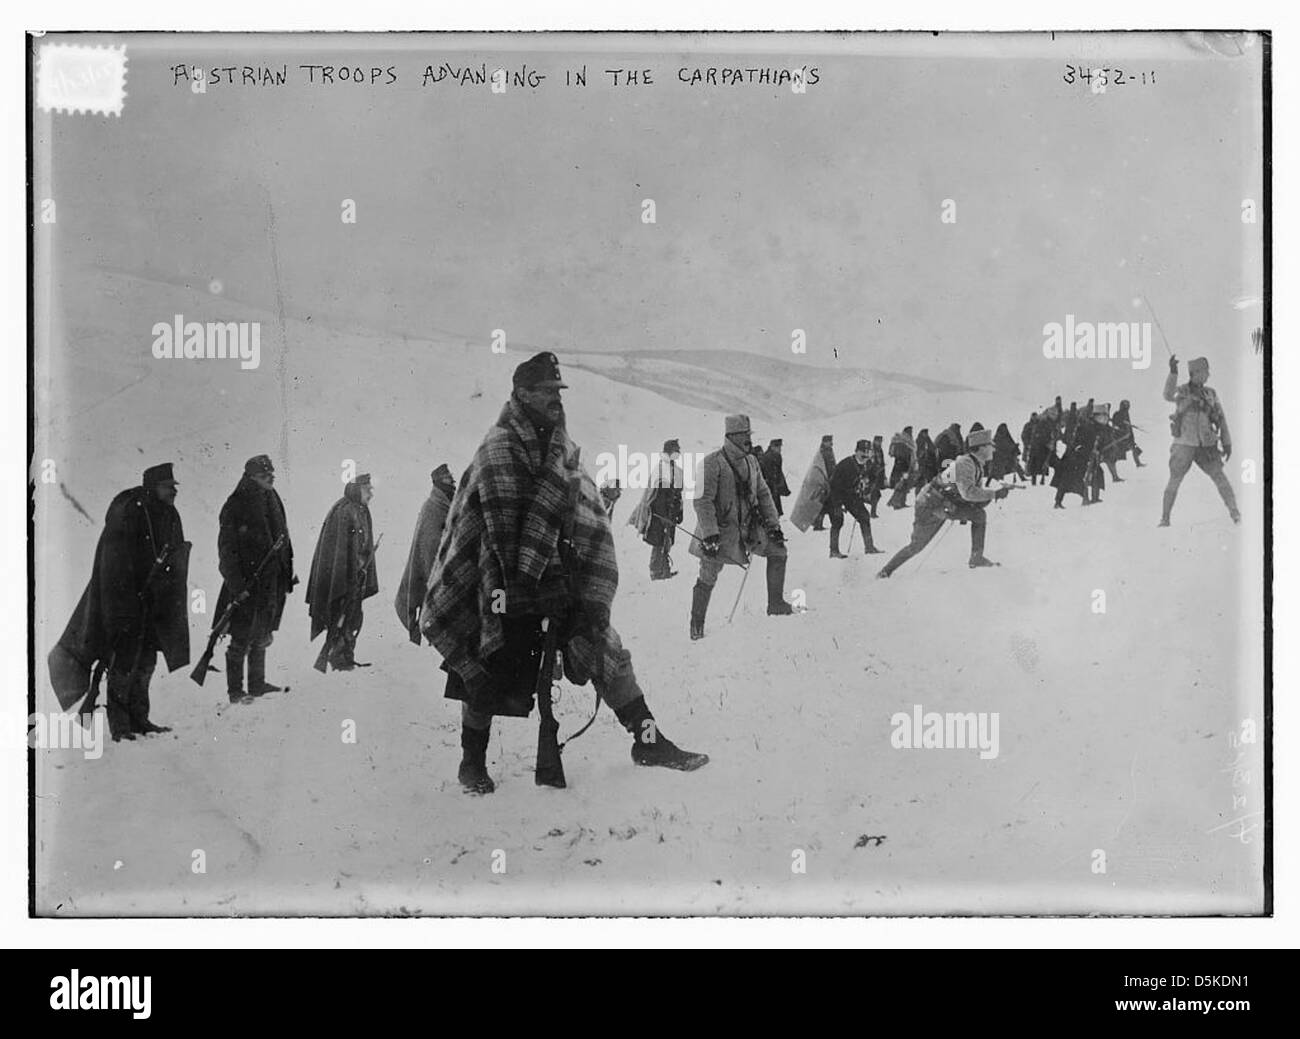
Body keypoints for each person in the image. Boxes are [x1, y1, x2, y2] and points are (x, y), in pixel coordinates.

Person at [423, 351, 708, 794]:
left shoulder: (558, 443)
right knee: (484, 662)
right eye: (548, 392)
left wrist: (569, 580)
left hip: (558, 574)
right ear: (522, 394)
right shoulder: (498, 448)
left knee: (603, 649)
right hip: (498, 578)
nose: (557, 400)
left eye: (559, 392)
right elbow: (502, 530)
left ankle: (648, 742)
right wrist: (526, 587)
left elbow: (576, 507)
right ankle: (471, 763)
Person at [47, 463, 191, 741]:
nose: (173, 491)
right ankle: (120, 726)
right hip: (123, 601)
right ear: (153, 486)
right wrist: (124, 604)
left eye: (173, 487)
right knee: (123, 662)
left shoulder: (169, 513)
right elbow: (114, 564)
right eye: (167, 486)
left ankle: (140, 718)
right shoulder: (130, 511)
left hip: (153, 602)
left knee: (147, 660)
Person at [690, 414, 793, 640]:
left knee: (778, 550)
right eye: (744, 435)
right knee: (708, 574)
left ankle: (775, 604)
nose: (748, 439)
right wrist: (709, 535)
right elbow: (702, 501)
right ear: (732, 437)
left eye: (749, 435)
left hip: (748, 529)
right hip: (720, 532)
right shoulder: (712, 462)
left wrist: (773, 526)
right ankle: (696, 625)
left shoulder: (752, 461)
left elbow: (764, 494)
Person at [214, 455, 296, 703]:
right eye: (264, 475)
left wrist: (286, 571)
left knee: (262, 633)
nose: (270, 478)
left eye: (271, 474)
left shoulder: (271, 497)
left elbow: (283, 535)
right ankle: (236, 691)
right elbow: (227, 551)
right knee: (241, 637)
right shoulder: (236, 504)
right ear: (250, 478)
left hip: (270, 581)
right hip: (247, 583)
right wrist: (237, 586)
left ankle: (257, 684)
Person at [877, 429, 1009, 577]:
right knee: (916, 546)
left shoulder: (975, 463)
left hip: (942, 503)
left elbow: (969, 496)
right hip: (929, 505)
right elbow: (969, 493)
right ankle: (886, 571)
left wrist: (990, 497)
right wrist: (994, 493)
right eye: (990, 445)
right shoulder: (966, 463)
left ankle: (976, 557)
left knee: (979, 515)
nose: (993, 448)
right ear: (981, 447)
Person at [307, 474, 379, 670]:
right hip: (342, 579)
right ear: (358, 490)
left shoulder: (362, 510)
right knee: (338, 615)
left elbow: (362, 546)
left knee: (353, 616)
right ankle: (336, 657)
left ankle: (346, 655)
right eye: (368, 489)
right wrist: (347, 577)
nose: (371, 494)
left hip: (356, 577)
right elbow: (338, 552)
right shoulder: (344, 511)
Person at [1160, 355, 1239, 526]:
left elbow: (1221, 418)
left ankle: (1235, 513)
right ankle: (1165, 518)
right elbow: (1167, 395)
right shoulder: (1182, 391)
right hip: (1183, 445)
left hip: (1207, 445)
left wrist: (1227, 442)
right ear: (1196, 373)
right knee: (1174, 480)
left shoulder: (1211, 393)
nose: (1208, 375)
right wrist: (1173, 372)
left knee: (1220, 478)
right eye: (1206, 372)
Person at [395, 464, 456, 643]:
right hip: (435, 570)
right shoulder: (432, 508)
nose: (453, 482)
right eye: (449, 479)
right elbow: (429, 548)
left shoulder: (446, 505)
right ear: (439, 483)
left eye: (452, 478)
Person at [828, 439, 882, 557]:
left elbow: (874, 476)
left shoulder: (868, 463)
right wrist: (837, 505)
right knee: (837, 520)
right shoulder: (845, 465)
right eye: (863, 452)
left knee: (864, 517)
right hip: (836, 495)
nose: (865, 455)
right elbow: (833, 485)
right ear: (856, 451)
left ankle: (869, 547)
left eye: (868, 452)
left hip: (852, 496)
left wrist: (868, 482)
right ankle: (834, 550)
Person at [640, 438, 684, 580]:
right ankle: (655, 571)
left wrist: (679, 512)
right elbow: (657, 496)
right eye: (676, 451)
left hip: (670, 513)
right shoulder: (660, 470)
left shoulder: (676, 470)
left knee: (667, 541)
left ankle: (664, 569)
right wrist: (663, 515)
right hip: (660, 514)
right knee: (659, 542)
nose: (678, 453)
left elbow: (678, 494)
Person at [1051, 407, 1104, 508]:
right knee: (1068, 478)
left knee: (1094, 474)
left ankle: (1092, 497)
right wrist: (1081, 448)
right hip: (1074, 457)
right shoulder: (1082, 426)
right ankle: (1059, 501)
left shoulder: (1090, 426)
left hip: (1080, 456)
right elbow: (1075, 441)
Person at [759, 438, 791, 517]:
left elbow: (779, 471)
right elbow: (766, 471)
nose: (780, 449)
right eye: (778, 447)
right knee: (771, 506)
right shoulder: (767, 457)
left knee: (774, 505)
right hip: (769, 485)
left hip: (774, 485)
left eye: (780, 447)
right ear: (772, 447)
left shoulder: (777, 456)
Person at [809, 435, 835, 530]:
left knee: (825, 504)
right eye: (828, 441)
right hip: (824, 482)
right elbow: (821, 467)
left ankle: (818, 523)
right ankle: (817, 524)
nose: (830, 443)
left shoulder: (829, 451)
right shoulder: (822, 453)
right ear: (824, 442)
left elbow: (832, 466)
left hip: (830, 481)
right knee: (822, 504)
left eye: (830, 441)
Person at [1111, 399, 1144, 469]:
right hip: (1120, 438)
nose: (1127, 408)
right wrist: (1122, 427)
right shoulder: (1117, 414)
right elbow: (1115, 425)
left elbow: (1128, 427)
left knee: (1134, 448)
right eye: (1125, 406)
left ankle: (1138, 463)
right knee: (1114, 455)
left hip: (1128, 438)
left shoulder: (1126, 414)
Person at [867, 435, 887, 518]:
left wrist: (883, 474)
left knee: (876, 494)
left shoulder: (880, 450)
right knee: (874, 494)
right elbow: (869, 463)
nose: (879, 443)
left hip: (878, 475)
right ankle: (871, 512)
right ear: (874, 441)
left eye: (880, 442)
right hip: (871, 476)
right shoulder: (871, 450)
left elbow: (882, 462)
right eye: (878, 441)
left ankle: (873, 512)